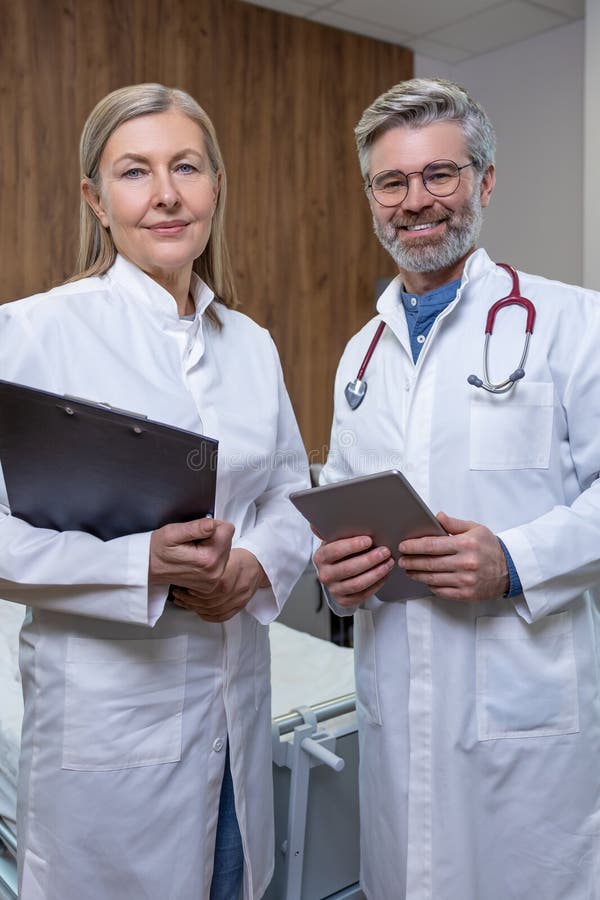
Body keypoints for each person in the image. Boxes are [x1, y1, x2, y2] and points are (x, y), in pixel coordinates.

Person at [0, 83, 311, 900]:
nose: (167, 194)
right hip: (107, 750)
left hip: (234, 724)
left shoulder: (249, 344)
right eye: (135, 172)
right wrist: (141, 564)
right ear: (96, 200)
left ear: (215, 186)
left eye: (187, 167)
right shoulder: (32, 334)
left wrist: (258, 565)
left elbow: (288, 487)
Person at [313, 77, 600, 900]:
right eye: (392, 182)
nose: (416, 202)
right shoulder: (360, 356)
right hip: (398, 712)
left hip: (522, 716)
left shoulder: (570, 325)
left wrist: (512, 559)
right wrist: (335, 574)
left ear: (485, 181)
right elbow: (339, 502)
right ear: (372, 197)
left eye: (441, 174)